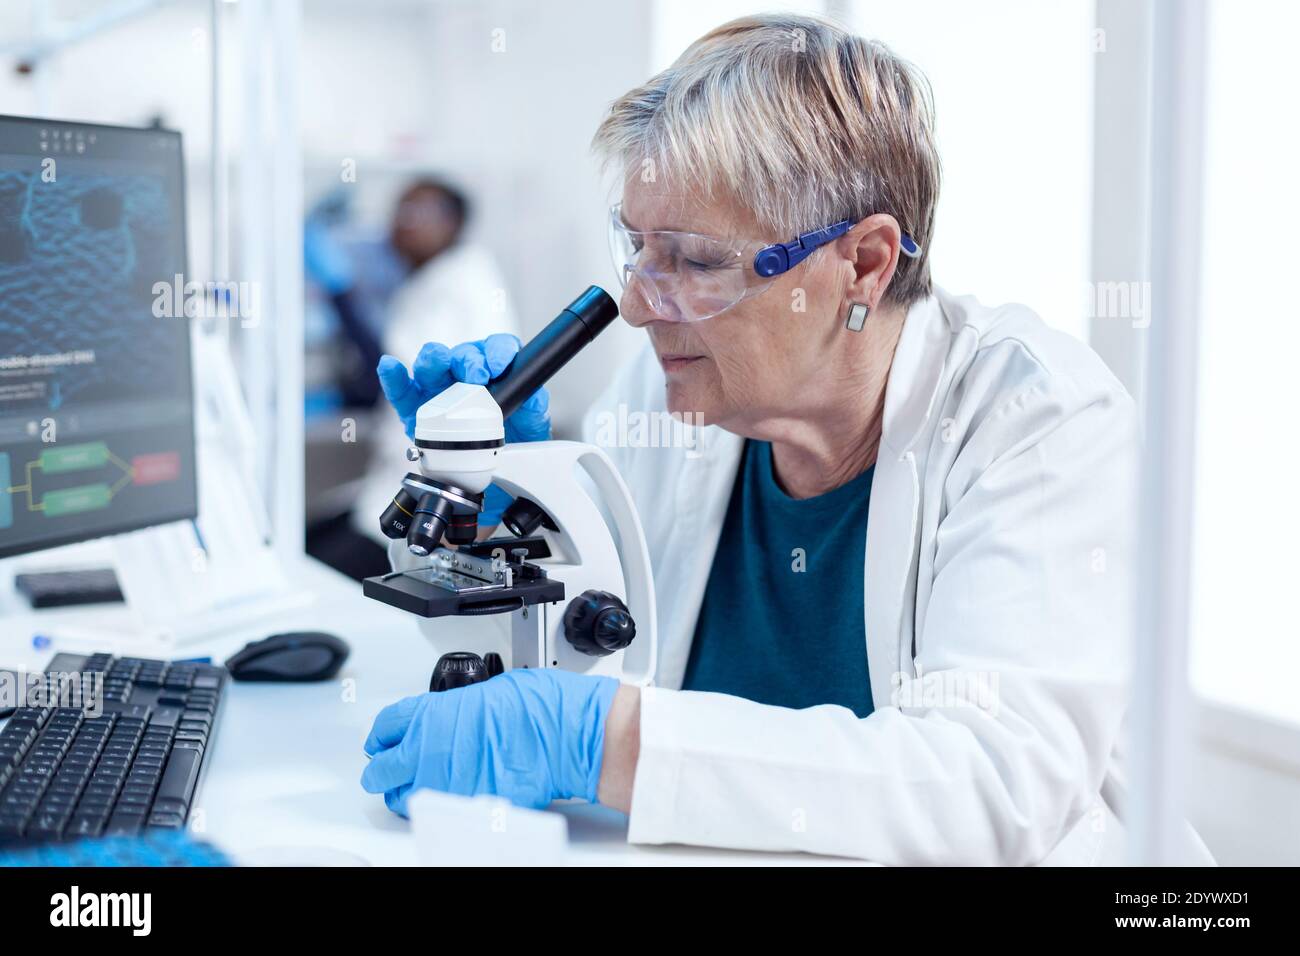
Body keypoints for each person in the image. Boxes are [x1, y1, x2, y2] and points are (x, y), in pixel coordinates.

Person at [359, 14, 1212, 864]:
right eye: (638, 246)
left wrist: (604, 743)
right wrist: (523, 504)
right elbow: (583, 653)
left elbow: (992, 786)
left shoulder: (1036, 418)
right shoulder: (666, 396)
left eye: (696, 261)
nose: (640, 304)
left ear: (866, 264)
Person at [304, 179, 519, 579]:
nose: (401, 224)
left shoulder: (452, 289)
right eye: (399, 210)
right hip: (401, 483)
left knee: (314, 568)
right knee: (309, 543)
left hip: (428, 499)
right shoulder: (443, 279)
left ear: (452, 223)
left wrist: (341, 293)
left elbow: (380, 378)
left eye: (417, 213)